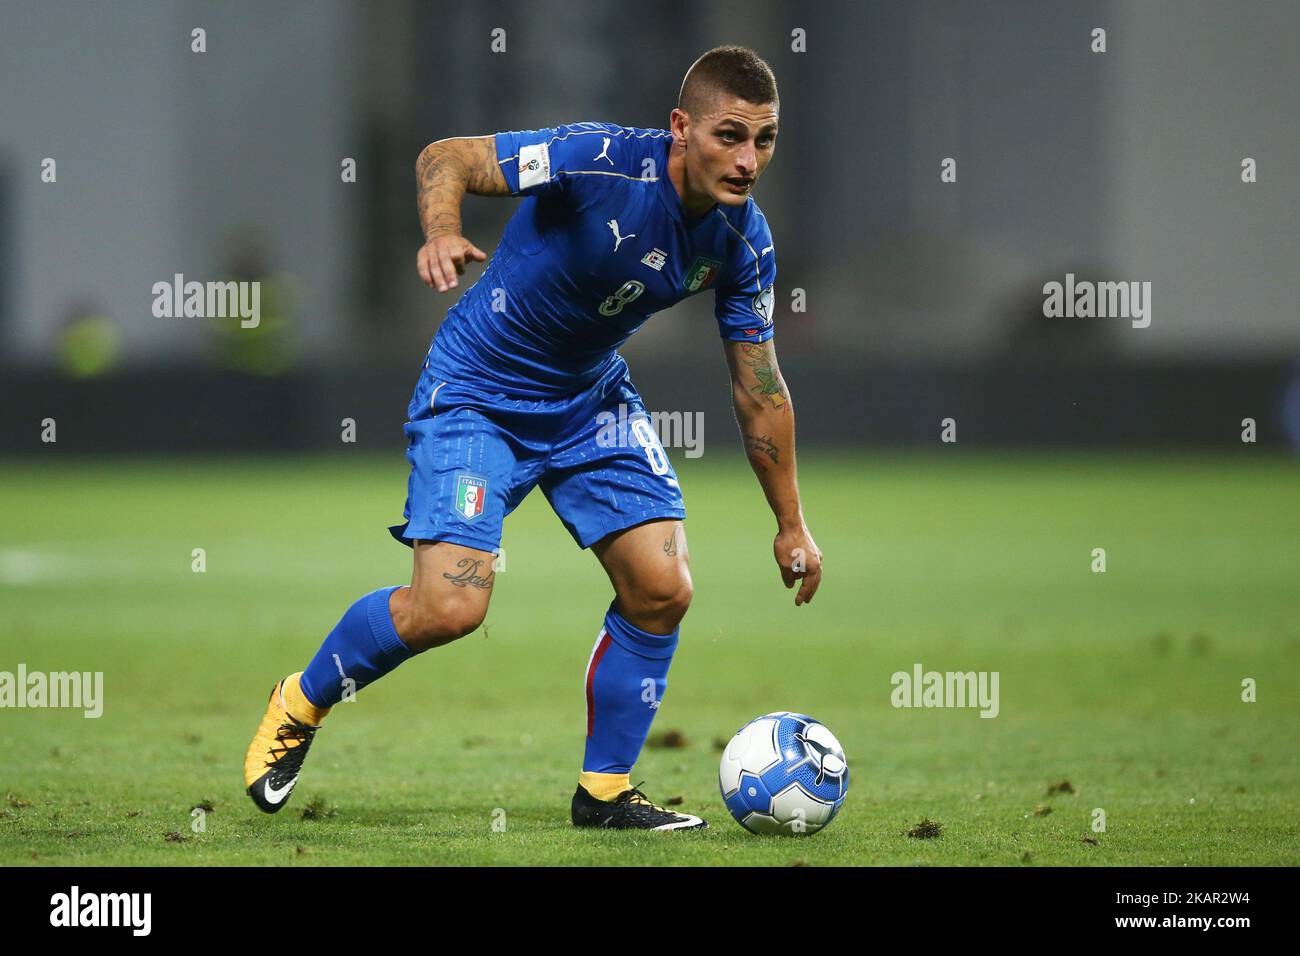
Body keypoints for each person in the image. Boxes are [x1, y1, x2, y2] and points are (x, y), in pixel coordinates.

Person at [244, 45, 822, 831]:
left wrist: (791, 523)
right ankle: (299, 703)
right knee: (449, 607)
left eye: (765, 140)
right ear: (681, 128)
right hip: (479, 393)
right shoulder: (599, 161)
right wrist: (442, 232)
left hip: (589, 402)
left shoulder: (743, 242)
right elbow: (445, 157)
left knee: (663, 588)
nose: (749, 159)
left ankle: (605, 794)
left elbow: (760, 392)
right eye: (731, 135)